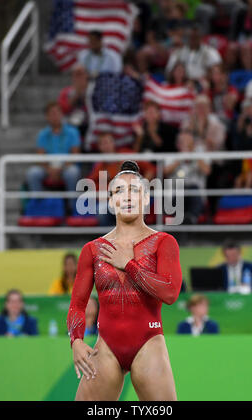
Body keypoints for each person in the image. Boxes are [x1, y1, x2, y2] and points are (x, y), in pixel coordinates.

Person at [67, 160, 182, 401]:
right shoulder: (93, 249)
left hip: (148, 344)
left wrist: (129, 265)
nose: (127, 196)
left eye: (135, 191)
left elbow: (171, 293)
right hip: (106, 347)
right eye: (119, 190)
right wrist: (76, 340)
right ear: (110, 202)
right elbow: (77, 304)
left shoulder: (164, 242)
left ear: (146, 200)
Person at [26, 102, 81, 212]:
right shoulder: (43, 134)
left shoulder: (72, 132)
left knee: (72, 172)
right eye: (51, 114)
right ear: (47, 117)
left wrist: (60, 169)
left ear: (62, 114)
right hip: (48, 168)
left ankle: (72, 207)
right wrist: (50, 170)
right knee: (33, 173)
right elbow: (41, 157)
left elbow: (75, 155)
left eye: (57, 113)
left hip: (66, 167)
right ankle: (38, 206)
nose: (55, 116)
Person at [163, 130, 211, 224]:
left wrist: (193, 154)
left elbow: (207, 170)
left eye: (189, 142)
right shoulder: (171, 157)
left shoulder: (201, 157)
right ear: (178, 144)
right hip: (176, 195)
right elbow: (165, 171)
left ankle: (190, 218)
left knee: (193, 189)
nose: (186, 145)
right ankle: (183, 220)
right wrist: (180, 158)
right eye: (183, 142)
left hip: (196, 195)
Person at [58, 64, 89, 136]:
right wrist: (77, 93)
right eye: (76, 75)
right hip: (71, 124)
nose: (79, 78)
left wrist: (85, 91)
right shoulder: (65, 92)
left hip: (88, 124)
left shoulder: (92, 91)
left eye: (81, 74)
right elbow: (63, 109)